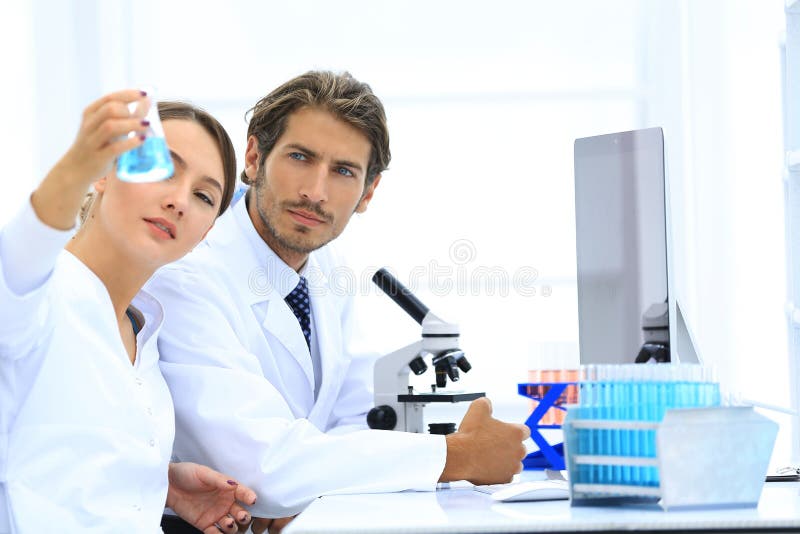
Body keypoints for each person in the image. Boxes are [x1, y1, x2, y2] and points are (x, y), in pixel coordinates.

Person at [146, 71, 530, 528]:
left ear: (368, 192)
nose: (316, 191)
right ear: (253, 157)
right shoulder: (184, 275)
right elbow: (261, 466)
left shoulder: (324, 267)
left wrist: (306, 491)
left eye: (343, 171)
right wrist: (457, 456)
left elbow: (355, 413)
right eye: (300, 157)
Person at [0, 90, 257, 533]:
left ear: (206, 231)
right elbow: (18, 260)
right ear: (103, 174)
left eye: (203, 196)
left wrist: (156, 484)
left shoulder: (145, 333)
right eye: (162, 170)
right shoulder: (37, 293)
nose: (179, 200)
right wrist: (76, 164)